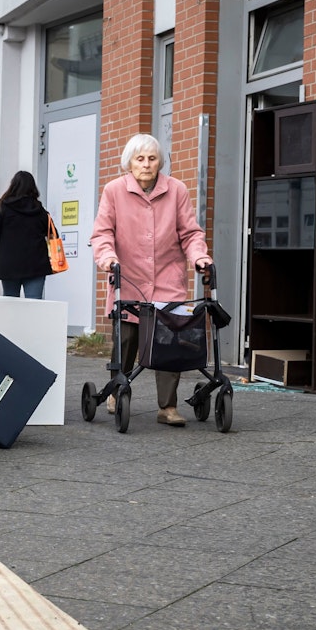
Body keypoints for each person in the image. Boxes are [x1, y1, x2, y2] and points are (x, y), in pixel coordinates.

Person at [90, 133, 212, 427]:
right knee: (128, 338)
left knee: (171, 341)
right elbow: (102, 233)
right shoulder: (114, 190)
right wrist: (107, 257)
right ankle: (117, 390)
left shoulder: (177, 190)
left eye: (152, 158)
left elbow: (190, 233)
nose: (146, 164)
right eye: (140, 159)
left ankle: (167, 407)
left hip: (168, 278)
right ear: (129, 163)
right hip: (128, 278)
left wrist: (199, 257)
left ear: (160, 162)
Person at [0, 170, 53, 300]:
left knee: (11, 304)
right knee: (34, 306)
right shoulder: (39, 210)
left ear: (13, 186)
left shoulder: (3, 207)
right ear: (32, 187)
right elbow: (52, 233)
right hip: (35, 265)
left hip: (9, 266)